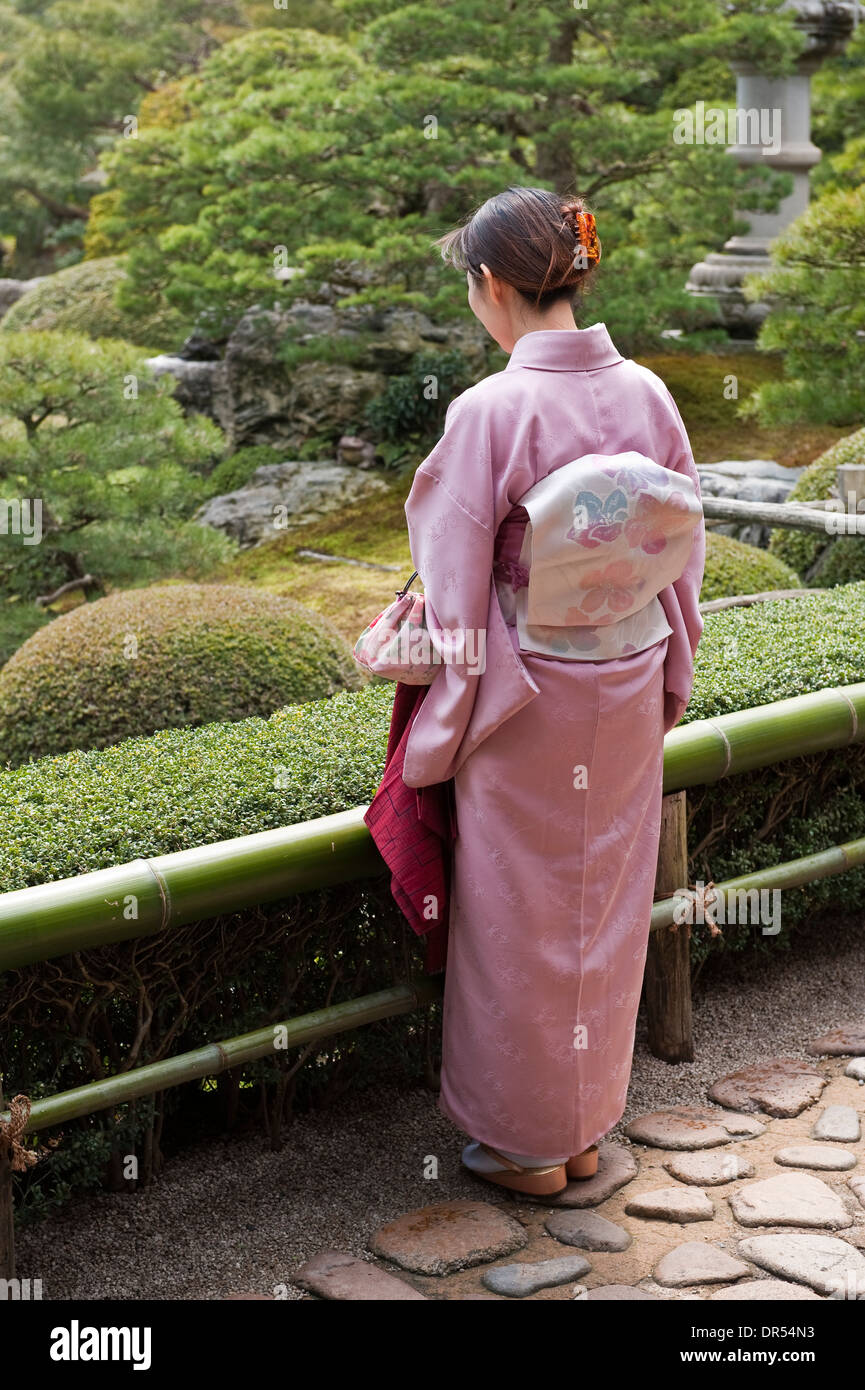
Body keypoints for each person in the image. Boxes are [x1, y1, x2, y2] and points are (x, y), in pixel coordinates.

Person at [400, 185, 706, 1197]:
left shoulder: (490, 408)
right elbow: (678, 561)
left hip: (525, 698)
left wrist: (447, 718)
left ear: (491, 286)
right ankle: (582, 1125)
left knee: (516, 919)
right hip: (623, 683)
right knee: (603, 905)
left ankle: (519, 1142)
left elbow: (451, 589)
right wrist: (668, 667)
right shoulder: (649, 395)